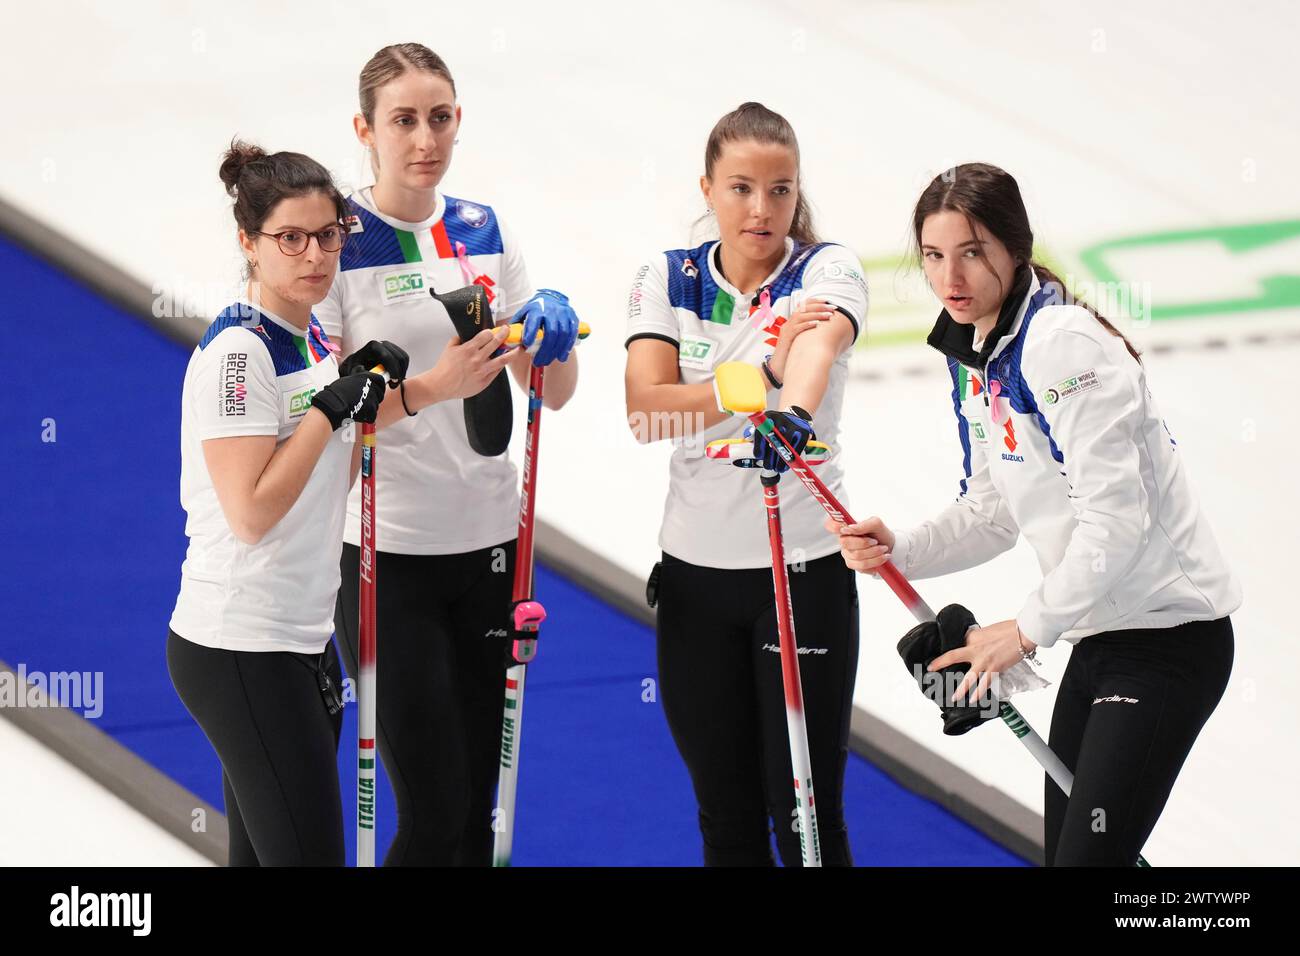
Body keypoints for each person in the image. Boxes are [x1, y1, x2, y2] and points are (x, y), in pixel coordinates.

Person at [830, 162, 1242, 866]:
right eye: (934, 256)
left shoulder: (1061, 345)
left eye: (972, 252)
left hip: (1169, 643)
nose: (950, 277)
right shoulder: (976, 354)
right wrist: (901, 550)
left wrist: (1020, 633)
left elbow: (1119, 523)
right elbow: (991, 511)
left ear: (1014, 249)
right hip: (1099, 641)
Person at [315, 43, 582, 866]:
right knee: (431, 815)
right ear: (365, 129)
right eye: (403, 120)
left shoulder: (481, 230)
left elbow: (555, 390)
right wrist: (432, 383)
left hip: (493, 550)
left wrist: (554, 331)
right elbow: (328, 419)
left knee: (480, 816)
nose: (424, 138)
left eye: (439, 118)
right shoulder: (337, 245)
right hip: (386, 557)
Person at [624, 102, 869, 866]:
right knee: (725, 820)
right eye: (740, 189)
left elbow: (817, 351)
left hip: (799, 575)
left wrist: (787, 407)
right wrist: (754, 378)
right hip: (697, 581)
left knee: (806, 816)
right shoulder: (666, 277)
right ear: (708, 189)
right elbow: (646, 414)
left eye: (781, 190)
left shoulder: (826, 269)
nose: (762, 210)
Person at [167, 140, 417, 866]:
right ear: (249, 242)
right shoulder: (239, 354)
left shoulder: (304, 333)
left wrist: (435, 385)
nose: (314, 255)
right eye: (291, 238)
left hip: (301, 640)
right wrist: (329, 409)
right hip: (241, 645)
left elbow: (330, 442)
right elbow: (250, 514)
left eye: (328, 235)